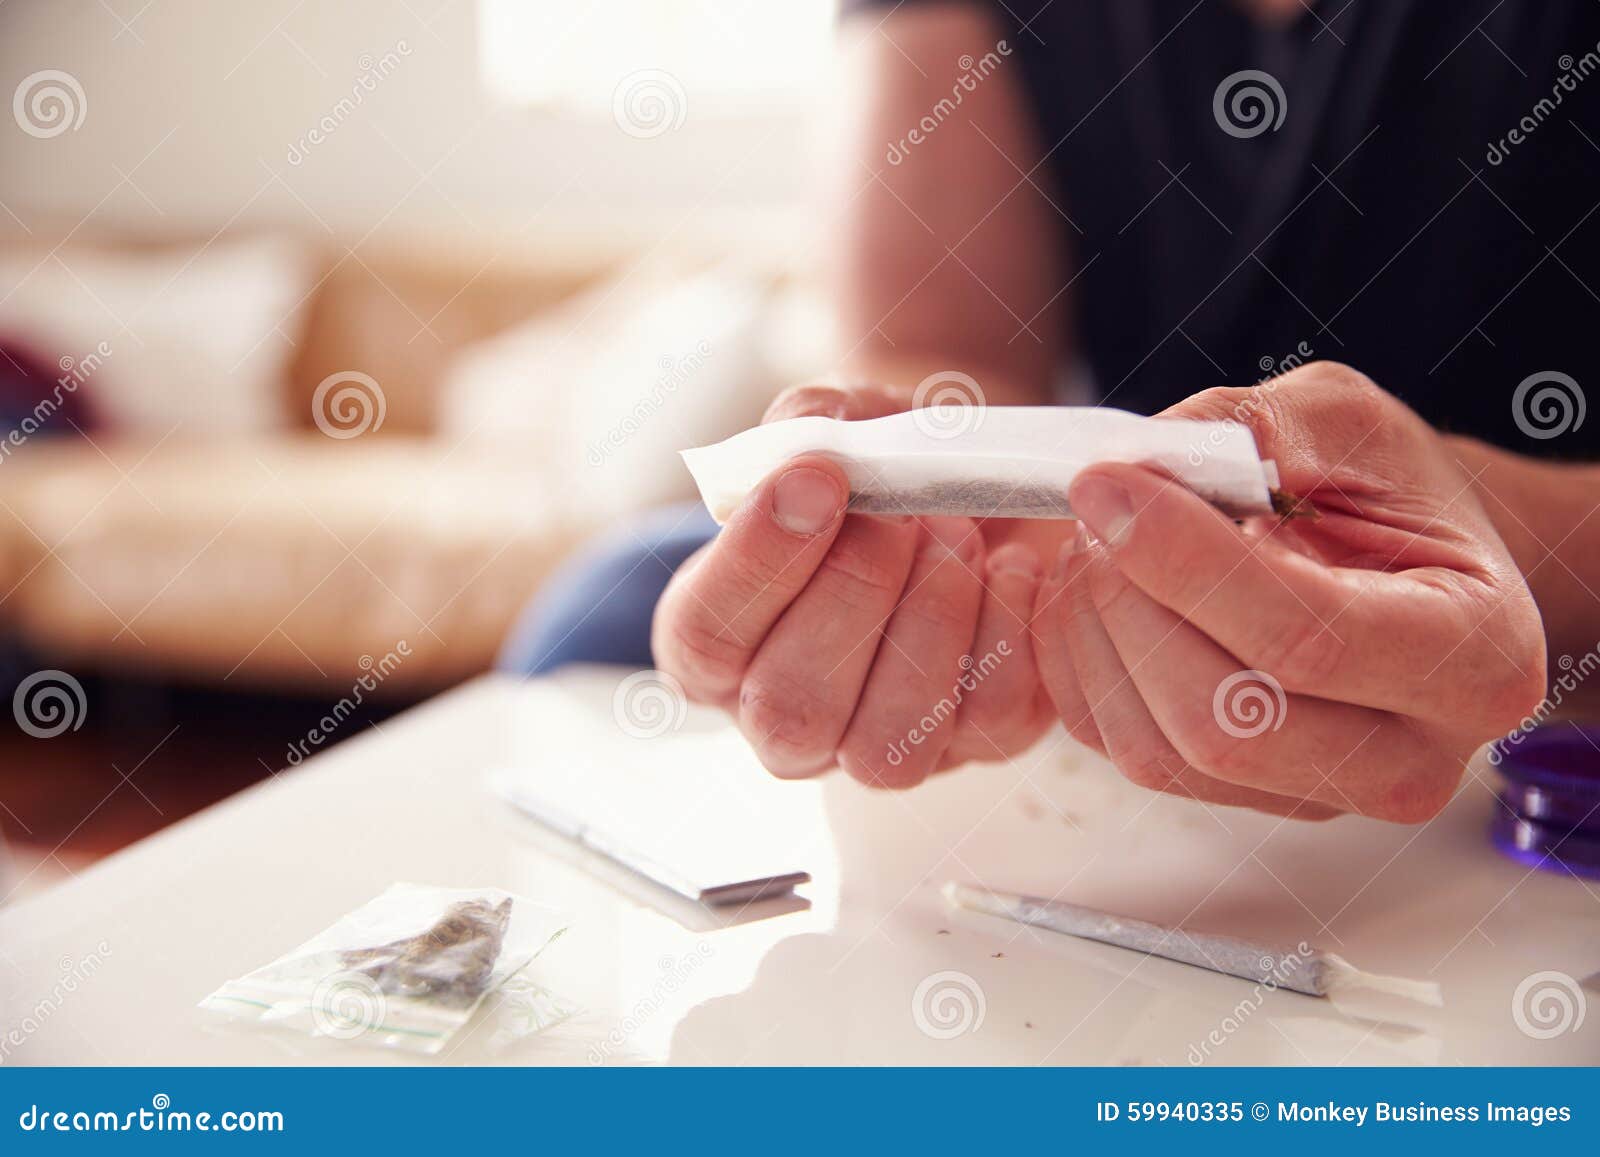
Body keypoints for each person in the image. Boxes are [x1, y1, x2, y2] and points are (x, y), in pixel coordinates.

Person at [513, 0, 1600, 823]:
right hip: (1118, 571)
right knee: (611, 608)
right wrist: (970, 554)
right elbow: (938, 351)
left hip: (1539, 647)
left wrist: (1518, 554)